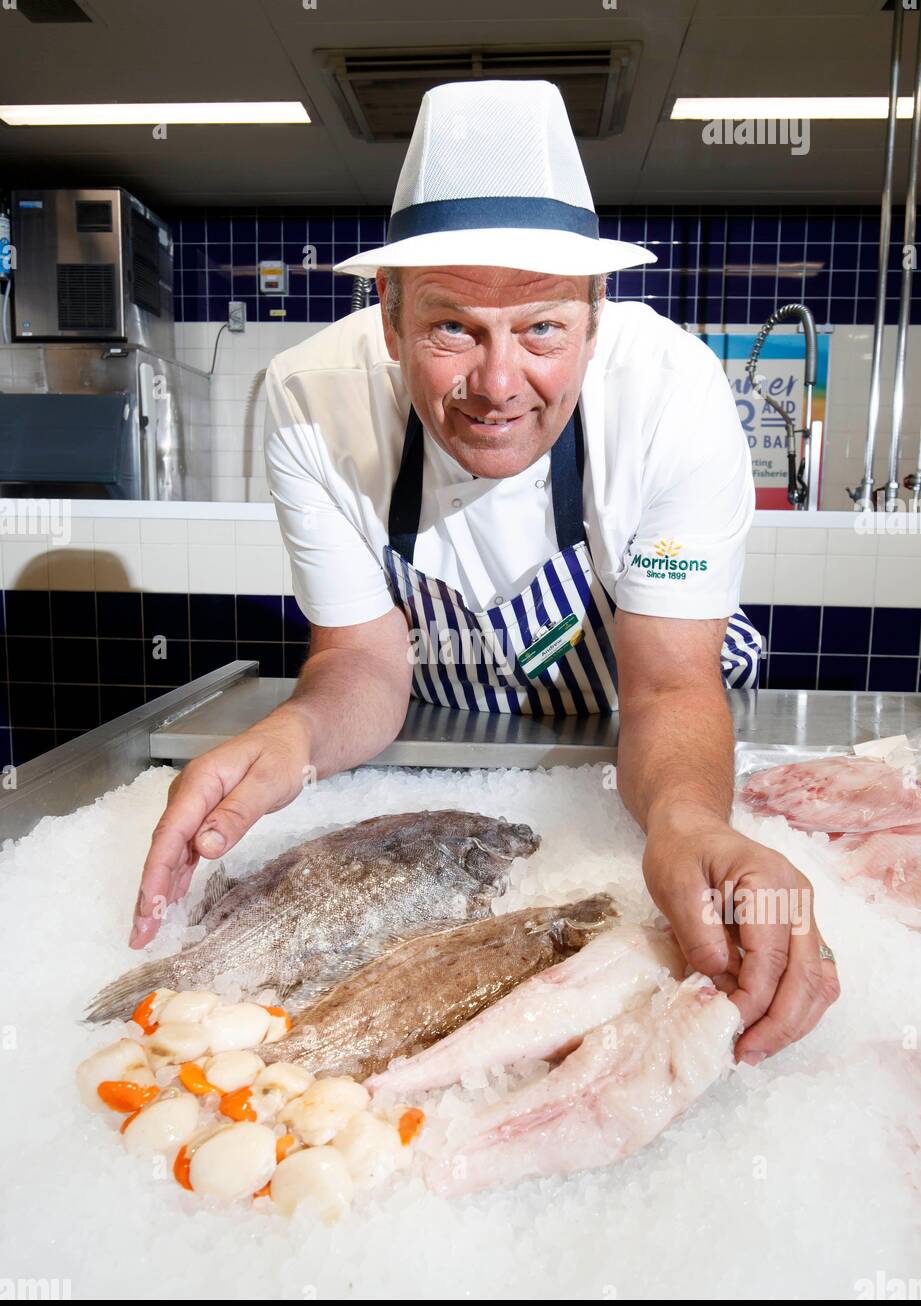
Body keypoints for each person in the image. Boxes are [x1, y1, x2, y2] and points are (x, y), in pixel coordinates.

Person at [130, 80, 839, 1065]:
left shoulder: (673, 400)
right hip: (463, 780)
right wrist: (293, 735)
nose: (499, 385)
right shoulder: (308, 406)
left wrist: (681, 819)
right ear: (388, 316)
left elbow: (671, 682)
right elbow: (364, 665)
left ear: (596, 313)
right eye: (453, 327)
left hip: (640, 748)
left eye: (543, 328)